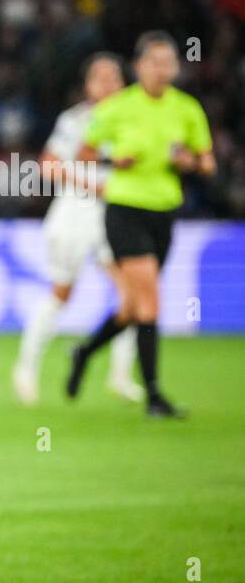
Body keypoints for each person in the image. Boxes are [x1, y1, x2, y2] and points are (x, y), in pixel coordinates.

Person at [68, 32, 216, 417]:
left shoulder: (186, 109)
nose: (164, 69)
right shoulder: (118, 108)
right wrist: (111, 160)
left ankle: (84, 352)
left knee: (134, 307)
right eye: (156, 62)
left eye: (170, 62)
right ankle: (153, 395)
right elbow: (83, 153)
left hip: (164, 212)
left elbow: (208, 162)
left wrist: (191, 164)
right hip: (124, 211)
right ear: (139, 66)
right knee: (150, 300)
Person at [13, 53, 140, 405]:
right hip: (75, 215)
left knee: (132, 294)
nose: (108, 83)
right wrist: (90, 185)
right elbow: (48, 166)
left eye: (114, 76)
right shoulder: (75, 120)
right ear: (88, 85)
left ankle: (121, 376)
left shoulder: (133, 121)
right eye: (100, 77)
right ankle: (26, 368)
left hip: (116, 215)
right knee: (61, 294)